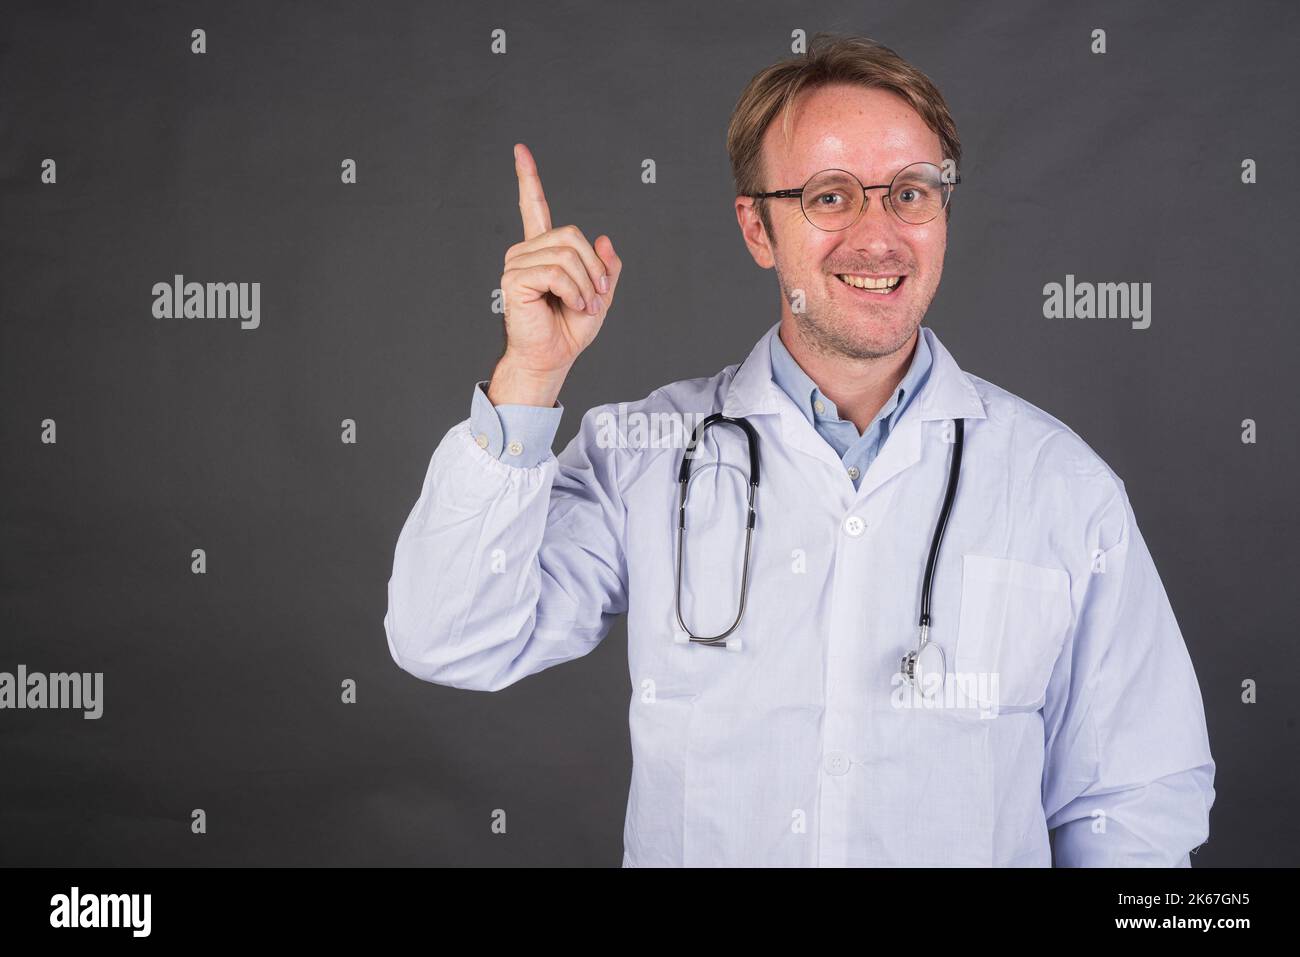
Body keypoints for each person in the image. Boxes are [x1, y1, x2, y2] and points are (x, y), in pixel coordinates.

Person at [384, 34, 1215, 867]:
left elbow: (1135, 801)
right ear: (758, 227)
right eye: (829, 196)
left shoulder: (1063, 486)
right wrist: (531, 373)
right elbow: (451, 637)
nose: (878, 234)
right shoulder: (643, 455)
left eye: (911, 193)